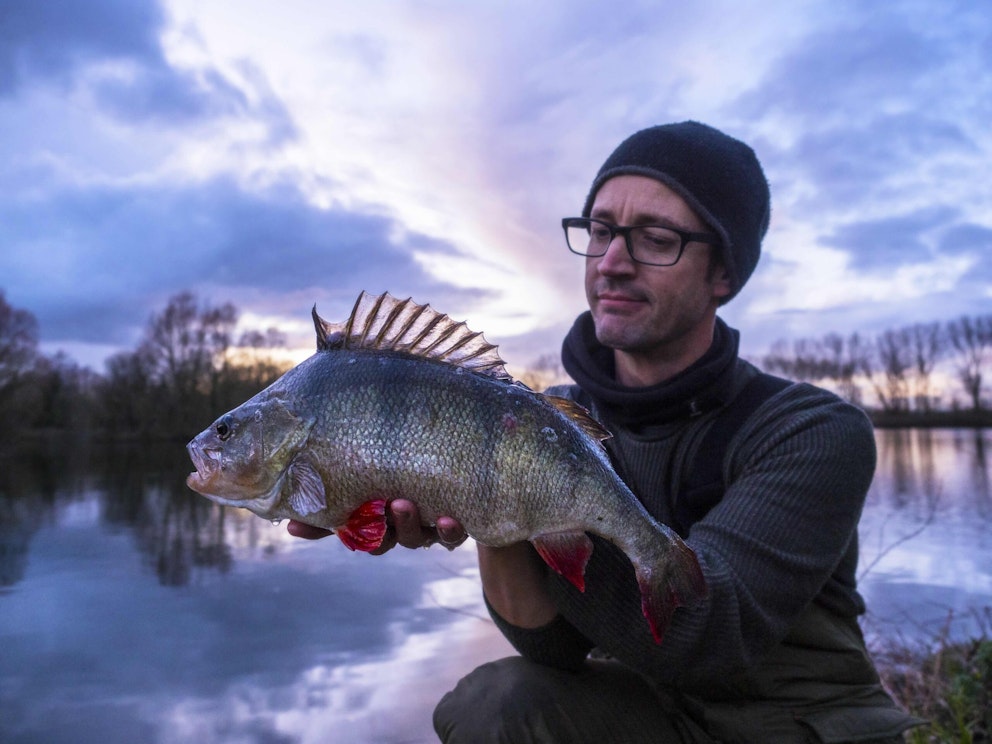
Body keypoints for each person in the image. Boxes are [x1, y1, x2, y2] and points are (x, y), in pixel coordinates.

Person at [290, 121, 923, 743]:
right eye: (599, 231)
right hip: (654, 710)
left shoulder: (813, 430)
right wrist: (482, 505)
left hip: (799, 724)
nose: (612, 263)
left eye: (656, 238)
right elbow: (554, 649)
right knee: (493, 705)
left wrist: (530, 493)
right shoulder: (553, 417)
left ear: (723, 275)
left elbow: (708, 637)